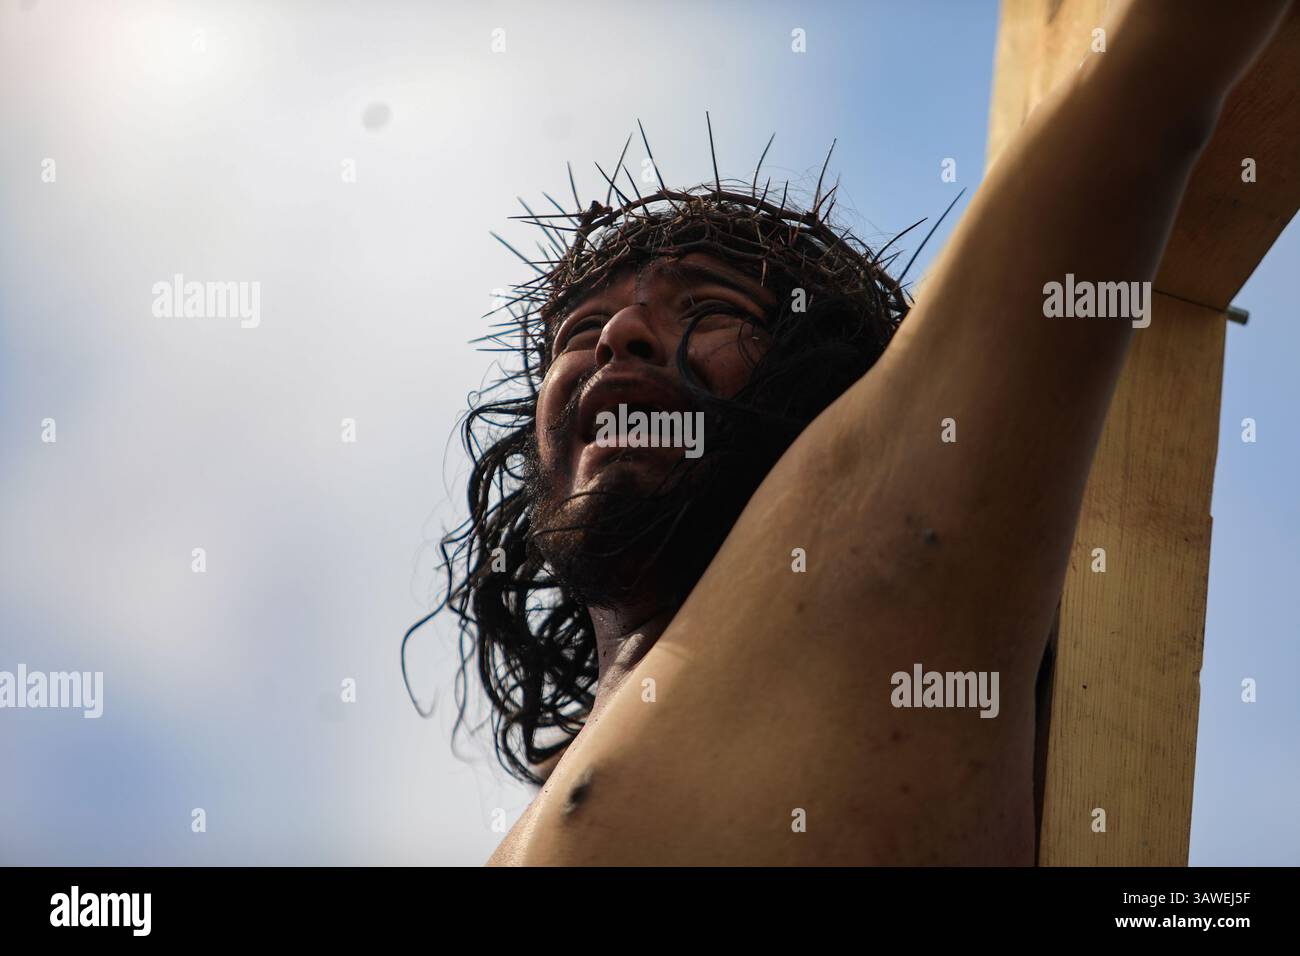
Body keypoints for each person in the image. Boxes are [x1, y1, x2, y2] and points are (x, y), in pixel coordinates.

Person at [412, 0, 1293, 864]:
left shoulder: (870, 532)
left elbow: (1141, 104)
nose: (616, 337)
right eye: (577, 334)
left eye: (709, 307)